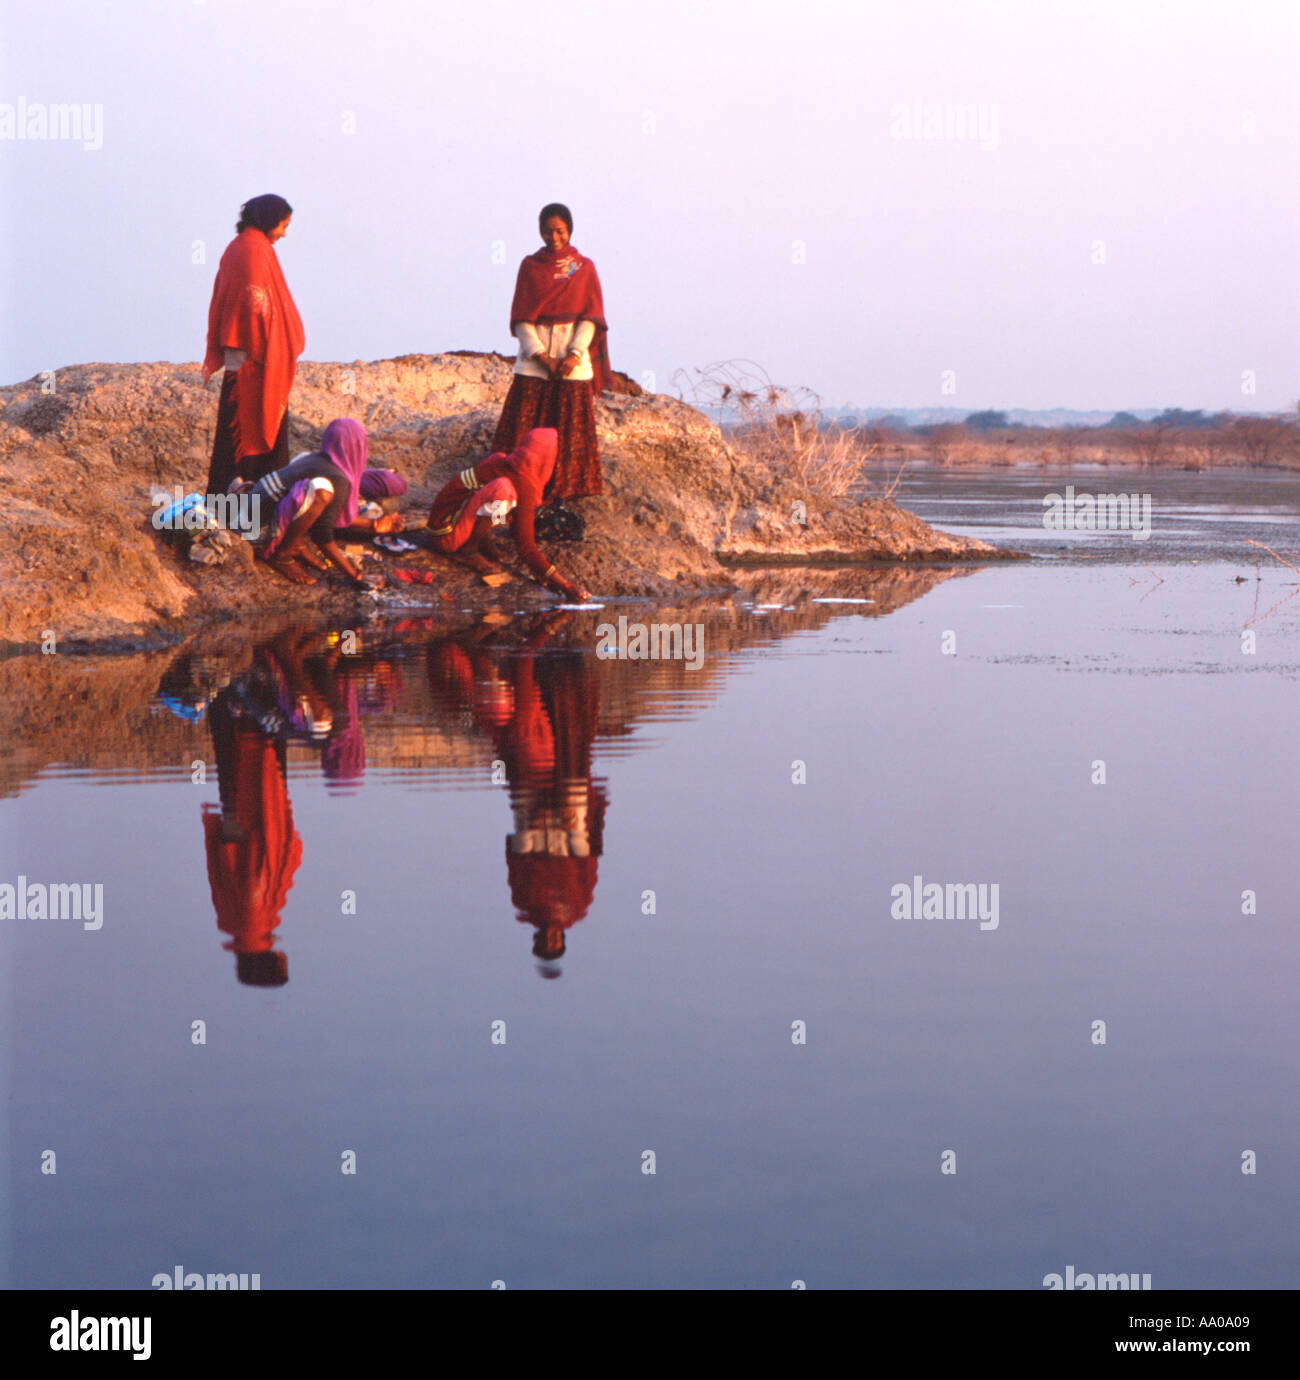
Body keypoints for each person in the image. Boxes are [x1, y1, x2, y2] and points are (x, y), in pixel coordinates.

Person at [492, 202, 611, 501]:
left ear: (569, 230)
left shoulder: (584, 268)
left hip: (572, 364)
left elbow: (591, 317)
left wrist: (573, 355)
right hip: (535, 365)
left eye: (559, 231)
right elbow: (521, 318)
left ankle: (566, 490)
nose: (553, 237)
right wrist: (541, 356)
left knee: (569, 430)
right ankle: (517, 487)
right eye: (547, 232)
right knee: (524, 428)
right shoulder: (530, 267)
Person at [202, 194, 305, 495]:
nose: (284, 234)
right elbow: (256, 306)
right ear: (269, 220)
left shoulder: (242, 247)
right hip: (254, 359)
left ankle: (231, 494)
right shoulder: (254, 250)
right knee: (253, 427)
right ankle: (258, 498)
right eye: (283, 225)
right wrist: (274, 347)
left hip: (245, 355)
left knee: (236, 433)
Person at [426, 428, 591, 599]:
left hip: (441, 522)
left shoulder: (507, 463)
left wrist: (538, 570)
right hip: (446, 536)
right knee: (502, 491)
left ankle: (480, 541)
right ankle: (469, 551)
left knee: (500, 488)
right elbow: (526, 547)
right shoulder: (523, 482)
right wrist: (565, 586)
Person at [243, 418, 385, 588]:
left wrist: (374, 524)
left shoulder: (315, 458)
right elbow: (322, 534)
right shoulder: (337, 479)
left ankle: (296, 543)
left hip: (248, 514)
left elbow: (326, 516)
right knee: (322, 492)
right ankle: (283, 556)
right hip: (253, 533)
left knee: (314, 491)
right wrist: (356, 575)